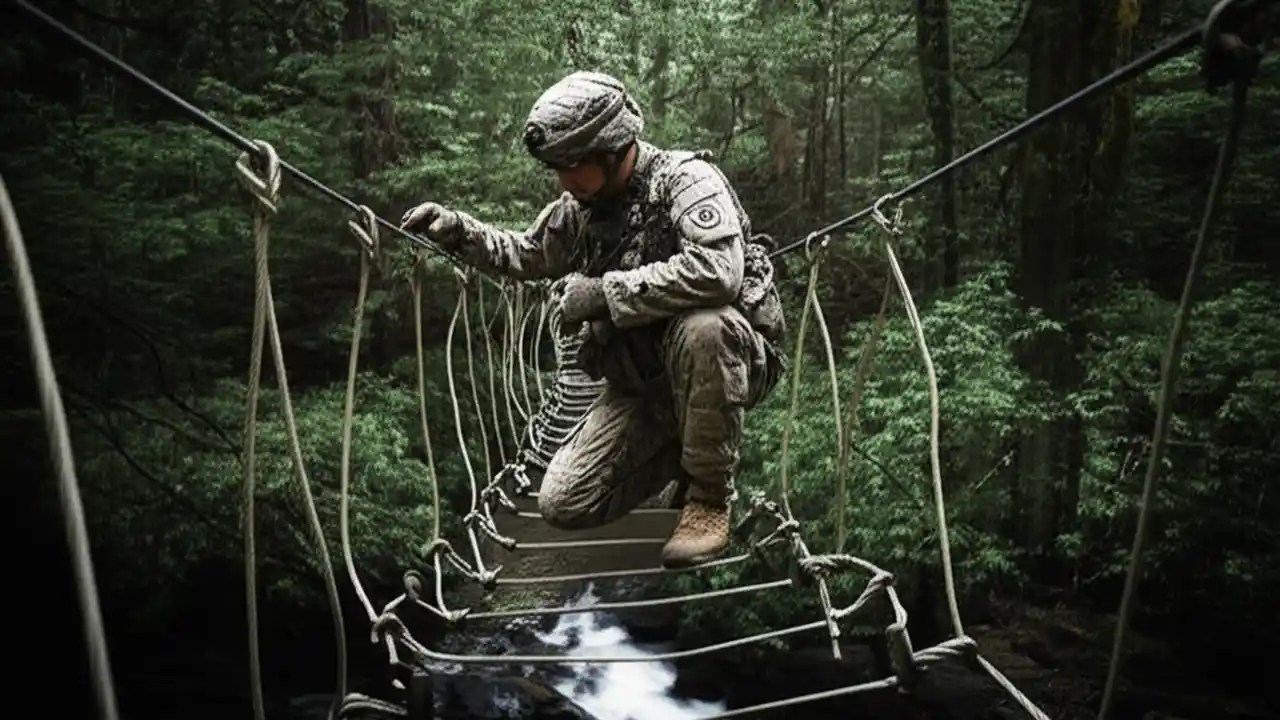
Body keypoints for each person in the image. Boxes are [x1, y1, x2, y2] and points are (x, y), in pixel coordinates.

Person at [400, 70, 785, 568]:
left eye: (572, 166)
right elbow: (528, 253)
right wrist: (457, 231)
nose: (563, 180)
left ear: (610, 148)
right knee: (563, 503)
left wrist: (602, 292)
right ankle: (692, 441)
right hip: (646, 385)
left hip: (728, 356)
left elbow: (720, 273)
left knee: (702, 327)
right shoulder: (581, 208)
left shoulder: (686, 180)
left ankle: (709, 497)